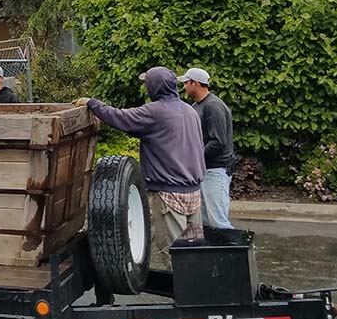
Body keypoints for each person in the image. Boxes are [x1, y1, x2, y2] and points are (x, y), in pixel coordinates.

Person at [84, 67, 206, 262]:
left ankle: (181, 291)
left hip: (169, 193)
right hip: (193, 191)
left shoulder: (155, 112)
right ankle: (197, 290)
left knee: (175, 257)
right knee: (194, 252)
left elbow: (120, 118)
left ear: (154, 86)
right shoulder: (189, 111)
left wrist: (92, 103)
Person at [179, 66, 235, 229]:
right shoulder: (197, 106)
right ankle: (210, 254)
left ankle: (231, 253)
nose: (184, 87)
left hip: (216, 170)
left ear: (194, 83)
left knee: (218, 221)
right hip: (204, 170)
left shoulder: (213, 106)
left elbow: (218, 142)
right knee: (204, 223)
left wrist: (193, 158)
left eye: (186, 83)